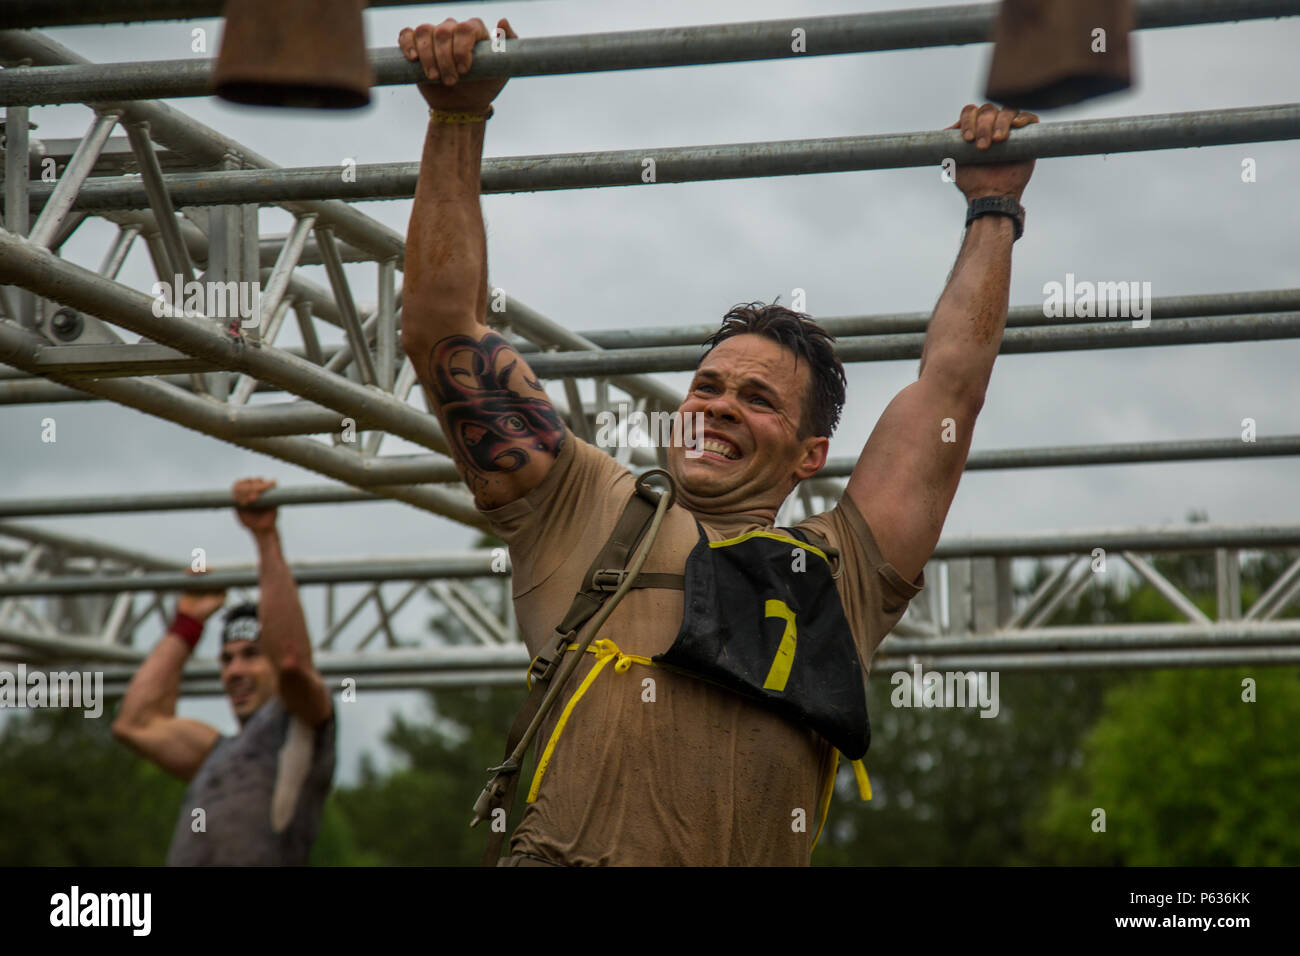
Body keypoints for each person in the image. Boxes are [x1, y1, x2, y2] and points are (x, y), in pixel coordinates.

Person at [398, 17, 1038, 865]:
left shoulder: (843, 571)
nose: (722, 405)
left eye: (758, 399)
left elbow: (951, 389)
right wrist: (455, 121)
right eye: (708, 386)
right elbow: (444, 328)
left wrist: (994, 208)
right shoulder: (581, 506)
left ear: (811, 454)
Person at [112, 478, 335, 866]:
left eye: (251, 655)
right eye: (227, 658)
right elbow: (136, 723)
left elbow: (292, 663)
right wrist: (187, 624)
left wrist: (265, 537)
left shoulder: (301, 728)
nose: (235, 670)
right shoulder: (218, 753)